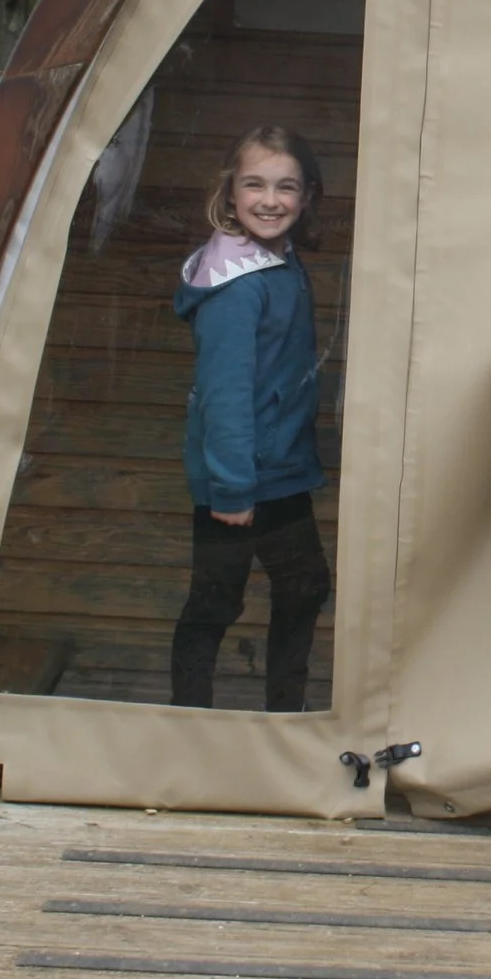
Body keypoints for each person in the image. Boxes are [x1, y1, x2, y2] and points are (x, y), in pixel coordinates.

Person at [169, 126, 335, 712]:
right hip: (239, 478)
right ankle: (190, 721)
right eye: (255, 184)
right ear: (230, 192)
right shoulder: (237, 285)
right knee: (216, 601)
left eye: (286, 187)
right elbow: (226, 395)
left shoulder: (279, 262)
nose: (270, 200)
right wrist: (233, 488)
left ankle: (284, 715)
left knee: (305, 586)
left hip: (280, 468)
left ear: (307, 195)